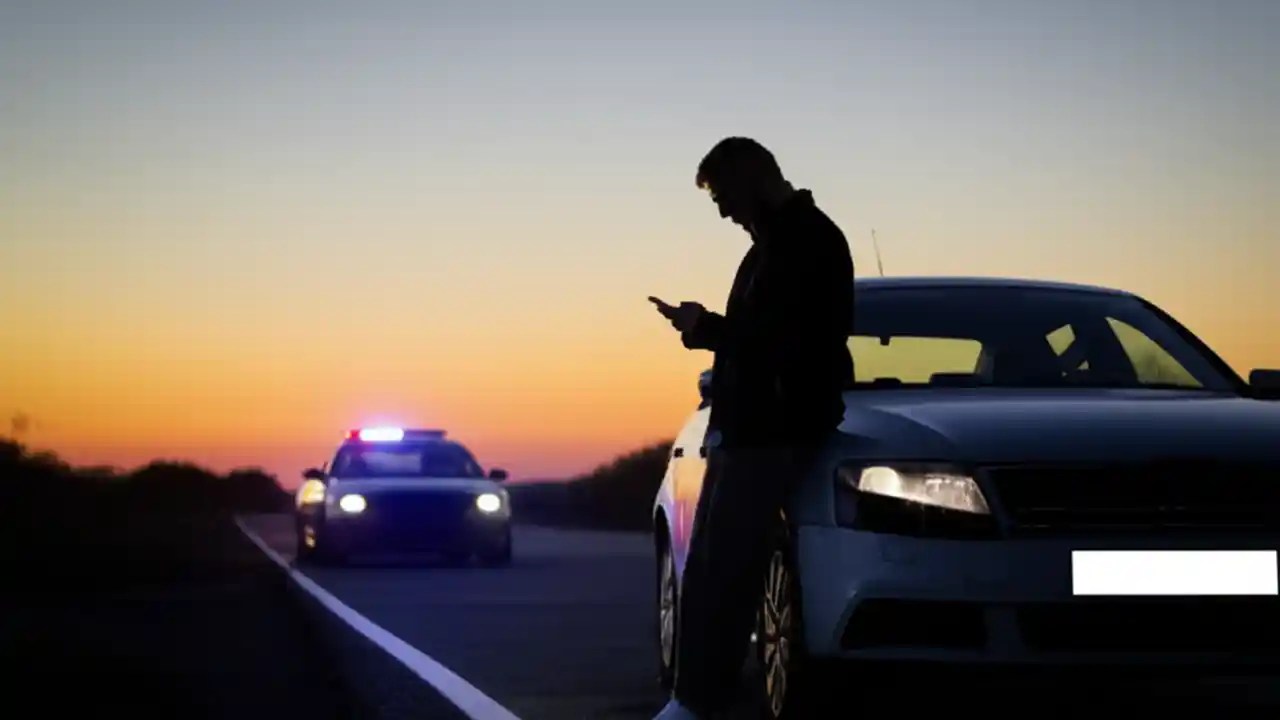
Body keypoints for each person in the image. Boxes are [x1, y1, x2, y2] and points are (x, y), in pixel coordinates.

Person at [648, 137, 854, 718]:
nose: (723, 212)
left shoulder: (805, 242)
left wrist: (706, 328)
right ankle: (695, 700)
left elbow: (785, 341)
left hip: (774, 433)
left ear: (751, 180)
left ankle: (697, 704)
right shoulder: (776, 245)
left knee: (723, 573)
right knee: (715, 570)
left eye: (724, 197)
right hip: (752, 431)